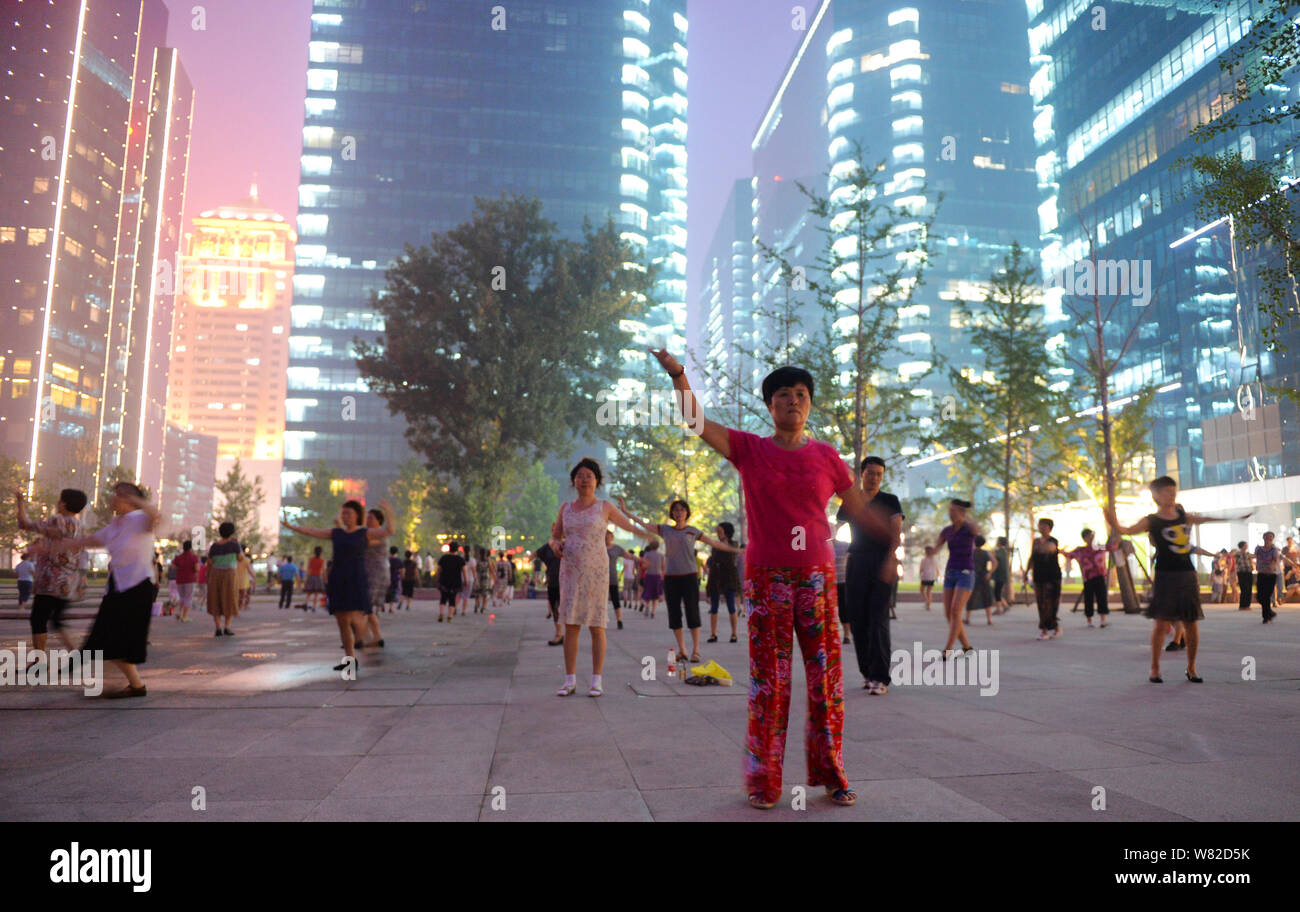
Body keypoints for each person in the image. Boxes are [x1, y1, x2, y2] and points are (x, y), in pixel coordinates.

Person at [650, 350, 898, 810]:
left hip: (818, 578)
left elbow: (861, 511)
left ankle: (831, 773)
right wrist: (678, 374)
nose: (794, 402)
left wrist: (888, 548)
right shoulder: (749, 449)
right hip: (766, 579)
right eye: (784, 395)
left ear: (810, 405)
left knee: (826, 679)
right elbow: (695, 421)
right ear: (770, 405)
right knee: (770, 681)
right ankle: (763, 781)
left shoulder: (826, 456)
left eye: (802, 395)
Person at [1104, 476, 1249, 683]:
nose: (1171, 496)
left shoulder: (1182, 516)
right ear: (1156, 496)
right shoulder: (1151, 521)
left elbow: (1205, 519)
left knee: (1191, 622)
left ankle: (1191, 667)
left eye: (1173, 492)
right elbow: (1127, 530)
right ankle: (1154, 668)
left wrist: (1234, 518)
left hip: (1186, 574)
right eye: (1166, 493)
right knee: (1161, 623)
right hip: (1165, 575)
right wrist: (1114, 522)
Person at [550, 458, 657, 698]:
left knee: (597, 625)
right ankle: (570, 680)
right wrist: (555, 544)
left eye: (589, 475)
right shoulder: (565, 507)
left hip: (597, 572)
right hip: (570, 572)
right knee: (571, 625)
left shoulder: (605, 507)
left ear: (597, 480)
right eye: (580, 476)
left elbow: (629, 527)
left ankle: (597, 680)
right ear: (574, 481)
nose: (584, 479)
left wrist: (654, 532)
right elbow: (554, 536)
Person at [50, 482, 160, 698]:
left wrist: (136, 500)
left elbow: (156, 516)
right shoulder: (116, 524)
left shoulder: (139, 518)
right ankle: (133, 685)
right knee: (106, 638)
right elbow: (90, 540)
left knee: (115, 639)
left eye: (117, 495)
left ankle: (131, 685)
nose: (112, 498)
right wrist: (60, 545)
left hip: (137, 586)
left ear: (128, 499)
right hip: (119, 586)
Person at [617, 497, 741, 663]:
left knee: (692, 612)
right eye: (676, 510)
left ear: (687, 513)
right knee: (675, 614)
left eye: (682, 509)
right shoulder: (665, 530)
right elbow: (642, 524)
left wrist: (737, 551)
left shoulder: (693, 531)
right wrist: (625, 511)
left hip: (689, 577)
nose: (679, 512)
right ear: (672, 514)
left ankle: (696, 650)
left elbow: (714, 543)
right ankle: (682, 649)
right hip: (671, 578)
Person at [281, 500, 390, 672]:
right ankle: (350, 660)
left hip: (356, 579)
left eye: (349, 513)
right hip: (338, 579)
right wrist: (292, 526)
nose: (345, 516)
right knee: (342, 621)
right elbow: (312, 532)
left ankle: (368, 640)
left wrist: (389, 512)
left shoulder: (364, 533)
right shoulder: (336, 533)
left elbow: (388, 531)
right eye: (344, 513)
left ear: (357, 515)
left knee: (354, 617)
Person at [837, 456, 905, 695]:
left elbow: (896, 533)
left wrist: (890, 560)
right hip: (856, 562)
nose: (874, 477)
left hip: (882, 562)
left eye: (879, 474)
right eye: (871, 473)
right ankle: (866, 672)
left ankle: (880, 677)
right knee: (857, 619)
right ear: (861, 474)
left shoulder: (890, 501)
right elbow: (835, 529)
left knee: (878, 619)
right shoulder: (851, 501)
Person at [15, 486, 87, 655]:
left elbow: (24, 524)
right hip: (69, 583)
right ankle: (76, 655)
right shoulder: (81, 526)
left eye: (60, 500)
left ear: (64, 504)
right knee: (57, 621)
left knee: (38, 619)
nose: (58, 503)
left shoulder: (58, 521)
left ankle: (39, 661)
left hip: (51, 582)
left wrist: (20, 502)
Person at [1065, 529, 1117, 628]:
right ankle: (1089, 620)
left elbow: (1112, 547)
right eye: (1089, 536)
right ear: (1084, 538)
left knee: (1101, 597)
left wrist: (1116, 538)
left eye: (1092, 535)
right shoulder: (1080, 550)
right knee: (1088, 598)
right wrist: (1059, 550)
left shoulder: (1099, 547)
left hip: (1100, 576)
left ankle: (1103, 620)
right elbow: (1069, 555)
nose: (1091, 538)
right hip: (1087, 577)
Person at [361, 504, 396, 645]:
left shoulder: (379, 534)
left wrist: (388, 511)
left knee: (364, 606)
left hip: (377, 573)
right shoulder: (367, 533)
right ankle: (374, 636)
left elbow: (363, 543)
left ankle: (365, 637)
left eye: (371, 518)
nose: (368, 520)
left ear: (378, 521)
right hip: (368, 572)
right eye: (367, 518)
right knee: (366, 608)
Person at [705, 522, 741, 644]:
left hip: (729, 578)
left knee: (731, 606)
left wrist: (725, 542)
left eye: (720, 531)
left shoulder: (734, 544)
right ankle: (713, 634)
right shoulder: (715, 545)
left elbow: (731, 558)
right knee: (714, 607)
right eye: (717, 532)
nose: (718, 534)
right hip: (715, 578)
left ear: (727, 532)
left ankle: (734, 633)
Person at [1029, 518, 1063, 640]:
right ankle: (1045, 630)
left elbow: (1049, 548)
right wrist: (1027, 571)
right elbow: (1032, 557)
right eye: (1040, 525)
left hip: (1052, 576)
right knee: (1041, 603)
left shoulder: (1053, 541)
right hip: (1039, 576)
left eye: (1044, 525)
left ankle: (1053, 627)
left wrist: (1041, 548)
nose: (1041, 527)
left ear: (1049, 528)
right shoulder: (1036, 541)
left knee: (1050, 603)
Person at [1254, 532, 1298, 624]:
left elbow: (1275, 560)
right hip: (1261, 574)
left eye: (1270, 537)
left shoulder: (1274, 550)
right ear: (1263, 537)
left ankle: (1266, 617)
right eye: (1267, 536)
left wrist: (1270, 567)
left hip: (1271, 574)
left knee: (1266, 596)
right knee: (1260, 597)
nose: (1268, 538)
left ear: (1272, 539)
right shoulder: (1258, 548)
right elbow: (1256, 558)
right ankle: (1270, 612)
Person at [206, 523, 242, 636]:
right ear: (231, 532)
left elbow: (210, 562)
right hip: (229, 574)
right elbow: (240, 558)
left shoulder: (214, 546)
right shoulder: (235, 545)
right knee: (229, 598)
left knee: (215, 599)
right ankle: (227, 627)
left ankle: (218, 628)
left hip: (215, 574)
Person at [535, 539, 564, 645]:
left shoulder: (569, 544)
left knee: (565, 609)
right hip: (553, 582)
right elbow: (538, 554)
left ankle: (567, 635)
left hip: (566, 582)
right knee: (555, 608)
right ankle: (559, 634)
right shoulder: (546, 547)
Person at [966, 535, 996, 628]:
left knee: (970, 597)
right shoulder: (986, 553)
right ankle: (989, 620)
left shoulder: (970, 553)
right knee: (987, 597)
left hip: (973, 576)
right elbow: (995, 562)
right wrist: (990, 573)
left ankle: (967, 618)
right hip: (984, 576)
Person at [604, 530, 630, 630]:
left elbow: (628, 555)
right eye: (605, 536)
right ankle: (601, 620)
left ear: (612, 537)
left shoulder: (616, 548)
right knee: (600, 600)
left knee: (615, 599)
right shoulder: (598, 547)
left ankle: (619, 620)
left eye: (609, 536)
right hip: (600, 578)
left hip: (613, 577)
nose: (607, 538)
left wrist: (638, 560)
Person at [437, 542, 466, 623]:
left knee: (443, 598)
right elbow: (464, 571)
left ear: (449, 548)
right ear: (457, 549)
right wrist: (466, 581)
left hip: (444, 580)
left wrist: (437, 578)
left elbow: (439, 570)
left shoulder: (443, 558)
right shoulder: (460, 559)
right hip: (455, 581)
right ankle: (450, 616)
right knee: (452, 599)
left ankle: (441, 614)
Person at [172, 540, 199, 622]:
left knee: (182, 597)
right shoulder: (194, 557)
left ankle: (179, 612)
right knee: (188, 597)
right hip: (190, 579)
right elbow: (197, 568)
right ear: (191, 547)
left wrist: (181, 569)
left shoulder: (178, 557)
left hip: (180, 579)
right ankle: (185, 616)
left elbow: (174, 567)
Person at [641, 540, 665, 618]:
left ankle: (647, 606)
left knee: (648, 592)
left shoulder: (647, 554)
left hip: (648, 576)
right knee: (656, 595)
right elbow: (663, 567)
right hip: (657, 576)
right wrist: (663, 576)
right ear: (658, 547)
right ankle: (653, 612)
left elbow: (644, 566)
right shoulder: (661, 555)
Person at [1231, 540, 1253, 611]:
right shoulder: (1237, 554)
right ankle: (1242, 605)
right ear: (1242, 546)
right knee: (1244, 588)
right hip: (1241, 572)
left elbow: (1251, 560)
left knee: (1249, 588)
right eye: (1245, 545)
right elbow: (1234, 560)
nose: (1247, 546)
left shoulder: (1248, 554)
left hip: (1249, 572)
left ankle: (1247, 605)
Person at [991, 536, 1011, 613]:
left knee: (997, 591)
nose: (996, 542)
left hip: (1000, 575)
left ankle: (999, 609)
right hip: (1000, 575)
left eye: (997, 540)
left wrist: (992, 555)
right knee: (997, 591)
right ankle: (1005, 606)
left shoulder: (1001, 551)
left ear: (1000, 542)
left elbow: (996, 558)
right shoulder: (1002, 551)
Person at [303, 546, 325, 611]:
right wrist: (325, 579)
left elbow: (308, 569)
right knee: (316, 593)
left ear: (314, 552)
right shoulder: (322, 560)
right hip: (318, 577)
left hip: (311, 577)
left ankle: (306, 603)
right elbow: (323, 570)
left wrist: (307, 578)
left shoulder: (311, 559)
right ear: (321, 552)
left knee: (309, 592)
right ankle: (314, 607)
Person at [236, 547, 255, 617]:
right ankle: (237, 609)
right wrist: (254, 577)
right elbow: (250, 571)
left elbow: (250, 570)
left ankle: (237, 609)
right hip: (242, 581)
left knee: (239, 596)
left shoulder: (244, 560)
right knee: (241, 596)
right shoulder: (245, 560)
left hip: (239, 581)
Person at [918, 546, 938, 611]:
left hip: (925, 577)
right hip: (932, 577)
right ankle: (928, 604)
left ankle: (927, 601)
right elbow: (937, 569)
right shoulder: (935, 560)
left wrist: (920, 575)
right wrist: (937, 576)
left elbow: (921, 569)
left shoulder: (924, 560)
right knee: (929, 591)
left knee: (922, 590)